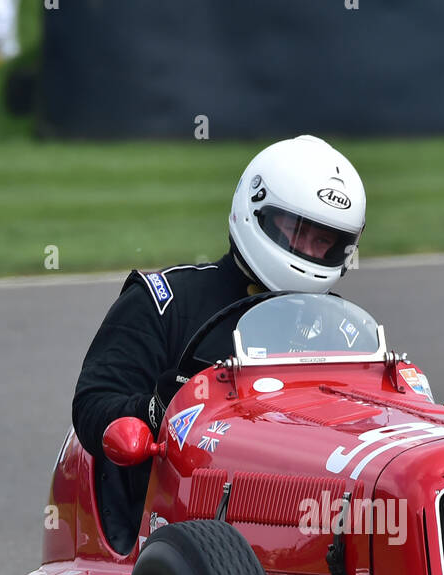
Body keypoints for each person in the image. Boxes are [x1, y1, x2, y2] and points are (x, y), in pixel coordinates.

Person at [71, 135, 367, 465]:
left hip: (304, 496)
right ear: (257, 210)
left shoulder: (340, 329)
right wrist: (157, 410)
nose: (311, 251)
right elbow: (92, 407)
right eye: (297, 231)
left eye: (324, 240)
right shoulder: (164, 301)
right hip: (175, 502)